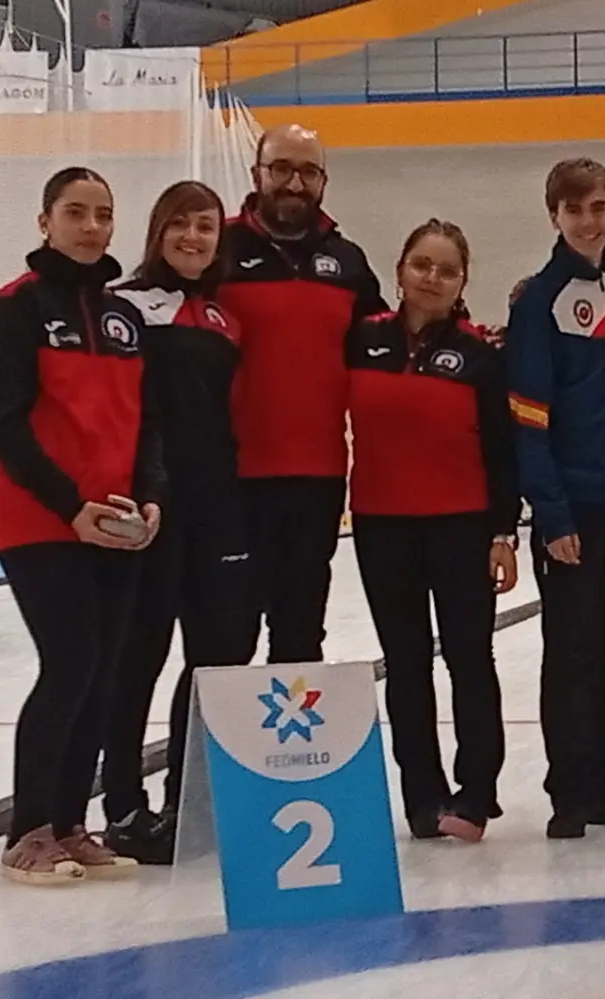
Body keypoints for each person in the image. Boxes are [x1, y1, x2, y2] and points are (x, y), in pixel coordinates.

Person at [0, 166, 164, 884]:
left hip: (113, 522)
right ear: (45, 221)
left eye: (103, 214)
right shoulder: (13, 310)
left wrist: (149, 496)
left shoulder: (123, 319)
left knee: (104, 673)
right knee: (70, 663)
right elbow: (3, 423)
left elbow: (145, 423)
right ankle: (27, 832)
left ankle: (67, 825)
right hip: (41, 519)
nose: (91, 227)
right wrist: (69, 505)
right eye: (76, 212)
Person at [101, 181, 259, 866]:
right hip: (151, 506)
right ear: (158, 229)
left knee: (217, 657)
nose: (193, 238)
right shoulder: (124, 306)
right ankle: (123, 806)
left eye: (206, 226)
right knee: (138, 656)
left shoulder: (226, 318)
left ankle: (188, 800)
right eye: (181, 225)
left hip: (218, 508)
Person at [347, 219, 520, 843]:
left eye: (447, 270)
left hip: (461, 529)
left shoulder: (482, 355)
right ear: (399, 271)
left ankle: (476, 793)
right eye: (422, 265)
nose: (432, 278)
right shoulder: (361, 338)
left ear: (463, 282)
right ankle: (422, 795)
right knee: (407, 663)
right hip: (381, 527)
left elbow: (502, 452)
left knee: (470, 660)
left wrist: (503, 533)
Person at [508, 158, 605, 839]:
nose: (588, 220)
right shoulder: (538, 301)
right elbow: (527, 418)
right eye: (574, 209)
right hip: (573, 510)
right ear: (555, 216)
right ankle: (569, 793)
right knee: (572, 656)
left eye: (598, 207)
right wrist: (552, 514)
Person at [219, 123, 386, 665]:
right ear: (257, 174)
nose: (295, 183)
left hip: (317, 481)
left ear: (323, 181)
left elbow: (390, 342)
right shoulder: (217, 249)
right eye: (282, 169)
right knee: (225, 643)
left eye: (308, 171)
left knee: (301, 636)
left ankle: (291, 730)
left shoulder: (349, 262)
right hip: (230, 481)